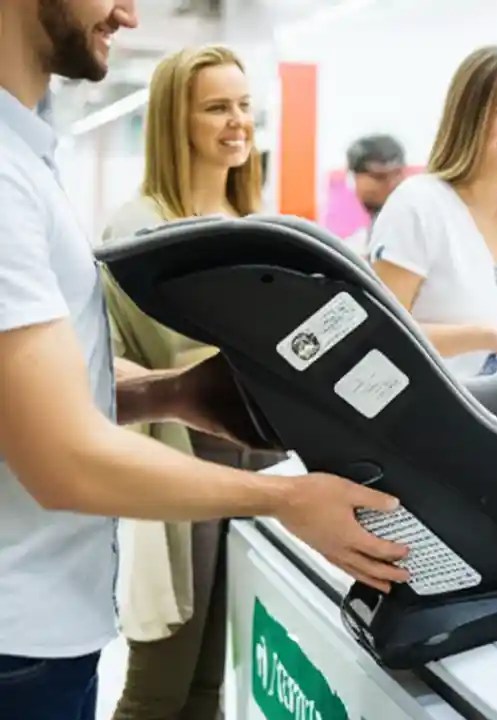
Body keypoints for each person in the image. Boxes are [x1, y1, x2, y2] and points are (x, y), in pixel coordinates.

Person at [0, 3, 409, 717]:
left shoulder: (29, 161)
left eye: (244, 106)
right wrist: (285, 500)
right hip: (21, 635)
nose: (128, 11)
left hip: (48, 624)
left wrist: (169, 394)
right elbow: (60, 458)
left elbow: (44, 391)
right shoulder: (10, 184)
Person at [99, 43, 276, 720]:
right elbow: (109, 367)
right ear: (178, 119)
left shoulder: (246, 222)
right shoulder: (139, 229)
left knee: (209, 684)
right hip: (178, 467)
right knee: (158, 685)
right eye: (216, 108)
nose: (237, 123)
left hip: (252, 467)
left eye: (243, 106)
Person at [370, 46, 497, 378]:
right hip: (421, 422)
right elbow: (377, 332)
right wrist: (488, 337)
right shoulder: (420, 205)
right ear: (470, 117)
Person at [344, 133, 407, 258]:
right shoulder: (355, 245)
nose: (391, 184)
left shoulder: (414, 235)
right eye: (379, 177)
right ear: (354, 178)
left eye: (397, 174)